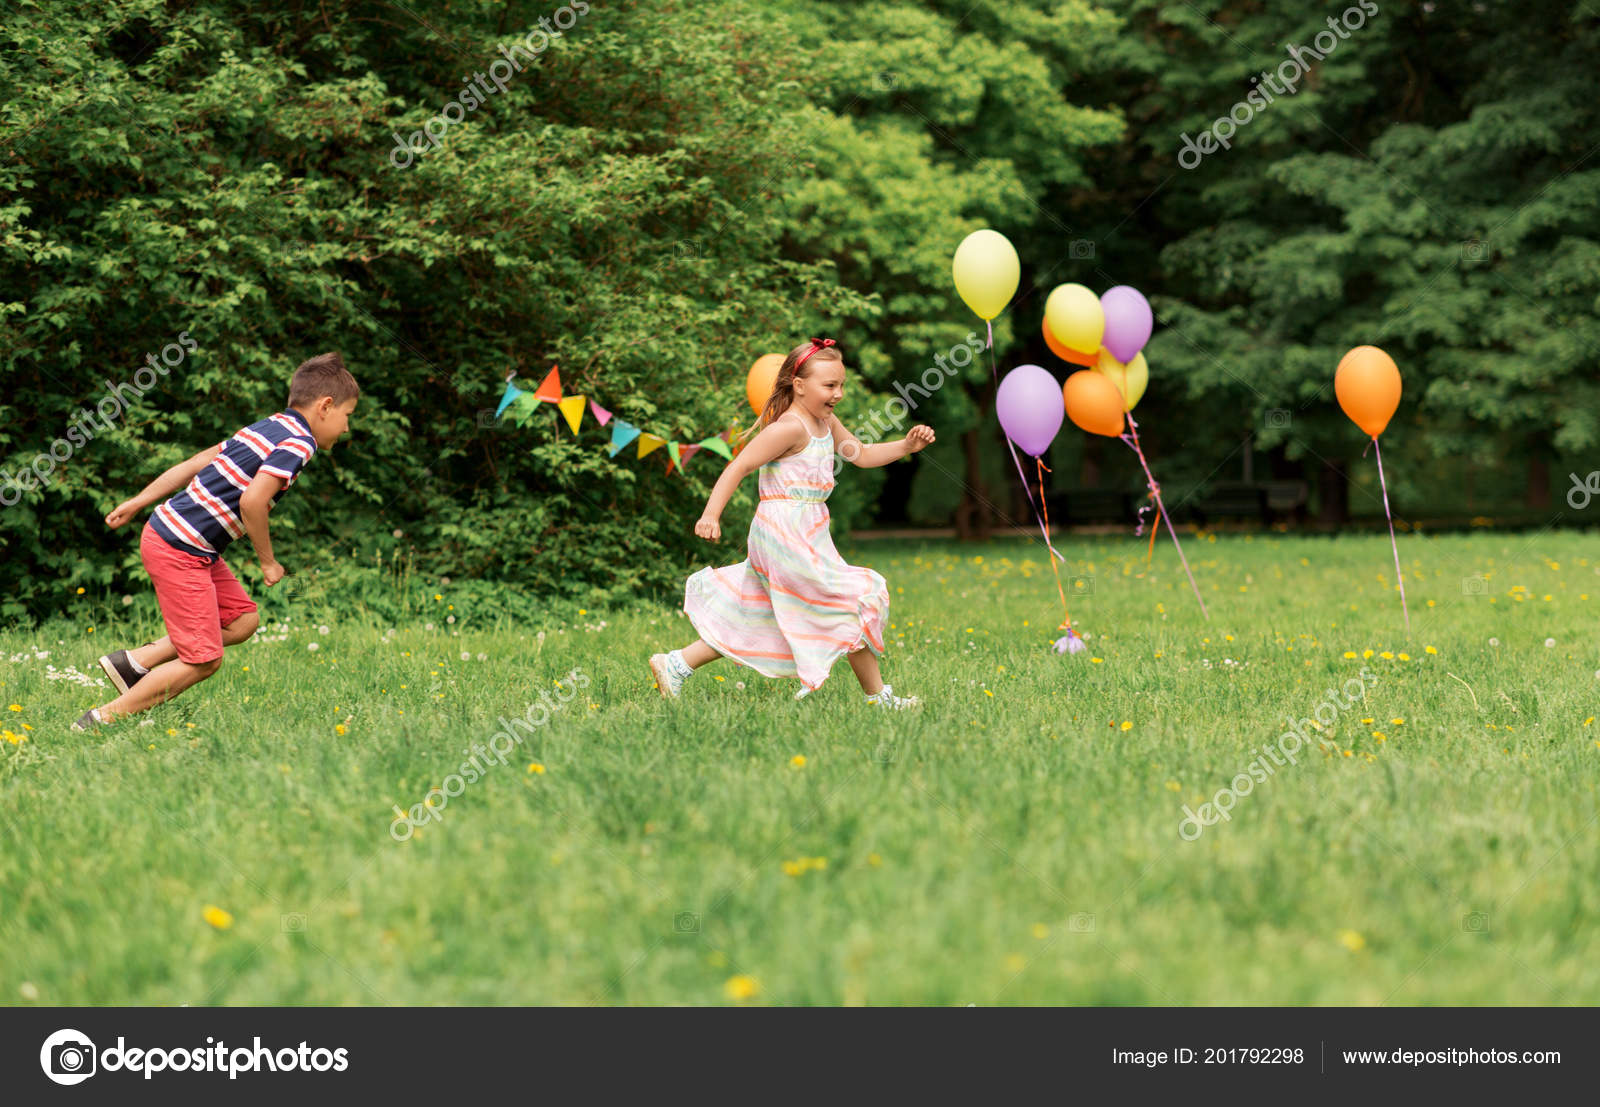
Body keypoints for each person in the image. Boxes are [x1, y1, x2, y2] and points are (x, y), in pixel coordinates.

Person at [74, 352, 359, 730]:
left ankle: (134, 662)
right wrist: (268, 562)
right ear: (325, 406)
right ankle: (101, 719)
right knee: (204, 659)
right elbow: (253, 501)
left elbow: (197, 462)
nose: (346, 429)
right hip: (180, 548)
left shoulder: (269, 426)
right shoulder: (299, 443)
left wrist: (140, 501)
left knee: (242, 621)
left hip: (182, 540)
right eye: (347, 416)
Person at [650, 337, 933, 706]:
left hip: (809, 530)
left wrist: (905, 447)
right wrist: (710, 514)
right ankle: (878, 697)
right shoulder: (790, 428)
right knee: (853, 599)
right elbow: (740, 465)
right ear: (799, 386)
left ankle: (676, 664)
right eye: (830, 385)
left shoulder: (825, 421)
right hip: (782, 531)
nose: (839, 393)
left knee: (758, 610)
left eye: (841, 385)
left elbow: (859, 454)